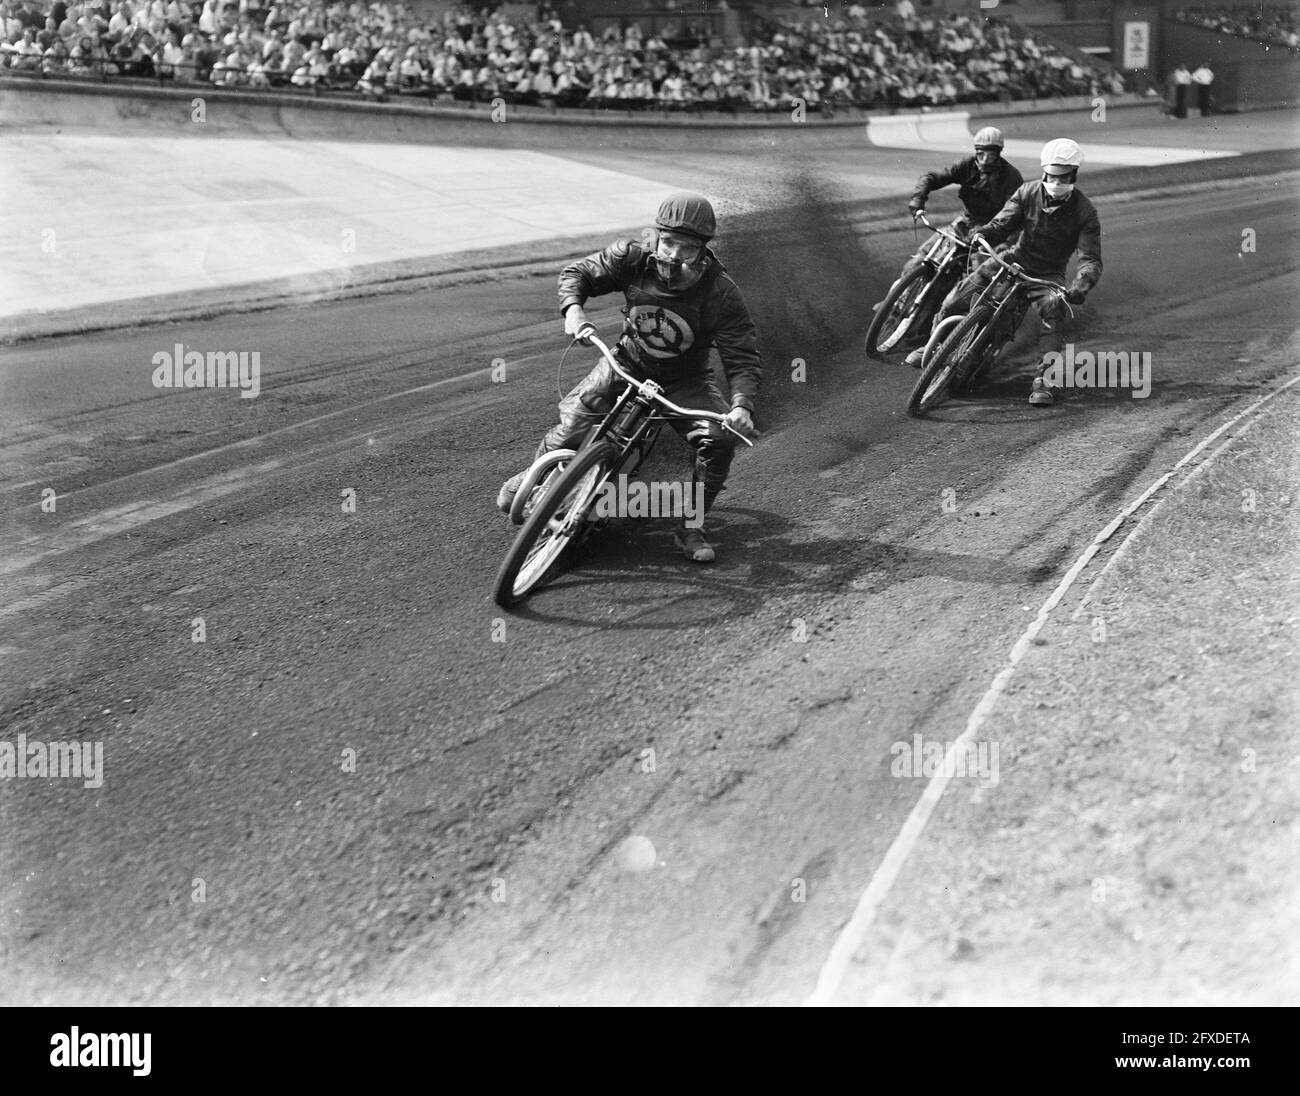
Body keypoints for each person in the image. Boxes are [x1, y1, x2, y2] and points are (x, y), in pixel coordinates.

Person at [496, 193, 762, 563]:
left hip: (685, 382)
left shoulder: (721, 292)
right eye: (668, 243)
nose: (674, 256)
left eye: (687, 248)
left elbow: (742, 359)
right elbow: (578, 274)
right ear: (656, 237)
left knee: (718, 440)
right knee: (573, 423)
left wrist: (741, 408)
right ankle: (534, 479)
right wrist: (573, 312)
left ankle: (690, 527)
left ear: (703, 250)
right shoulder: (631, 259)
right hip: (626, 361)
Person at [924, 137, 1101, 407]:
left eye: (1063, 177)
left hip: (1047, 275)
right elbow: (1002, 224)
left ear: (1074, 175)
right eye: (1051, 176)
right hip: (1013, 259)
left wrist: (1081, 285)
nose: (1056, 182)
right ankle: (932, 346)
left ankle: (1044, 380)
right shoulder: (1027, 193)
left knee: (1054, 308)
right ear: (1044, 172)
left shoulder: (1085, 212)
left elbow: (1090, 258)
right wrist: (983, 233)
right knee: (954, 300)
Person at [903, 127, 1024, 367]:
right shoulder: (966, 166)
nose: (985, 159)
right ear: (975, 152)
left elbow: (1016, 216)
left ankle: (956, 338)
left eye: (991, 153)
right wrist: (918, 198)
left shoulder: (1012, 178)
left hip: (991, 232)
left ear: (999, 153)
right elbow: (932, 177)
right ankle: (900, 301)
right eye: (981, 153)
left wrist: (1004, 242)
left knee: (975, 286)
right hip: (964, 223)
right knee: (921, 259)